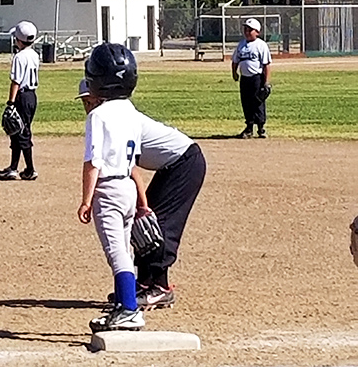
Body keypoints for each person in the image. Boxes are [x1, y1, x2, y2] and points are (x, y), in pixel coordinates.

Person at [76, 77, 206, 312]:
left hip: (185, 162)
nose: (88, 106)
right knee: (143, 224)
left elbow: (131, 169)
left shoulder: (117, 119)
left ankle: (160, 288)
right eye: (85, 102)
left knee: (159, 224)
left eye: (90, 100)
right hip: (173, 165)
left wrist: (143, 206)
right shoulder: (116, 116)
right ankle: (145, 282)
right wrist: (142, 204)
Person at [77, 43, 146, 332]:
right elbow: (134, 164)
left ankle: (130, 309)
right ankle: (124, 303)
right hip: (127, 188)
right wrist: (142, 200)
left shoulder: (98, 115)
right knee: (126, 251)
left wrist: (86, 200)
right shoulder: (132, 112)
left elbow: (93, 162)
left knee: (116, 252)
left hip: (108, 190)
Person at [0, 21, 40, 181]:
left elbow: (16, 81)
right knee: (18, 132)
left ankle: (30, 169)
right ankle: (13, 168)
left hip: (22, 97)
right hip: (32, 96)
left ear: (19, 40)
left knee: (21, 133)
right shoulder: (34, 55)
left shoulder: (19, 57)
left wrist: (10, 103)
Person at [232, 17, 272, 139]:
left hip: (257, 78)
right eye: (246, 29)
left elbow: (266, 64)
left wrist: (266, 82)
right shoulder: (241, 45)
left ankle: (261, 128)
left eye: (250, 30)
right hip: (245, 78)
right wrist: (234, 72)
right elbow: (235, 61)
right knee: (246, 102)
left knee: (258, 102)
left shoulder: (261, 45)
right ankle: (249, 127)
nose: (247, 32)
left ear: (257, 32)